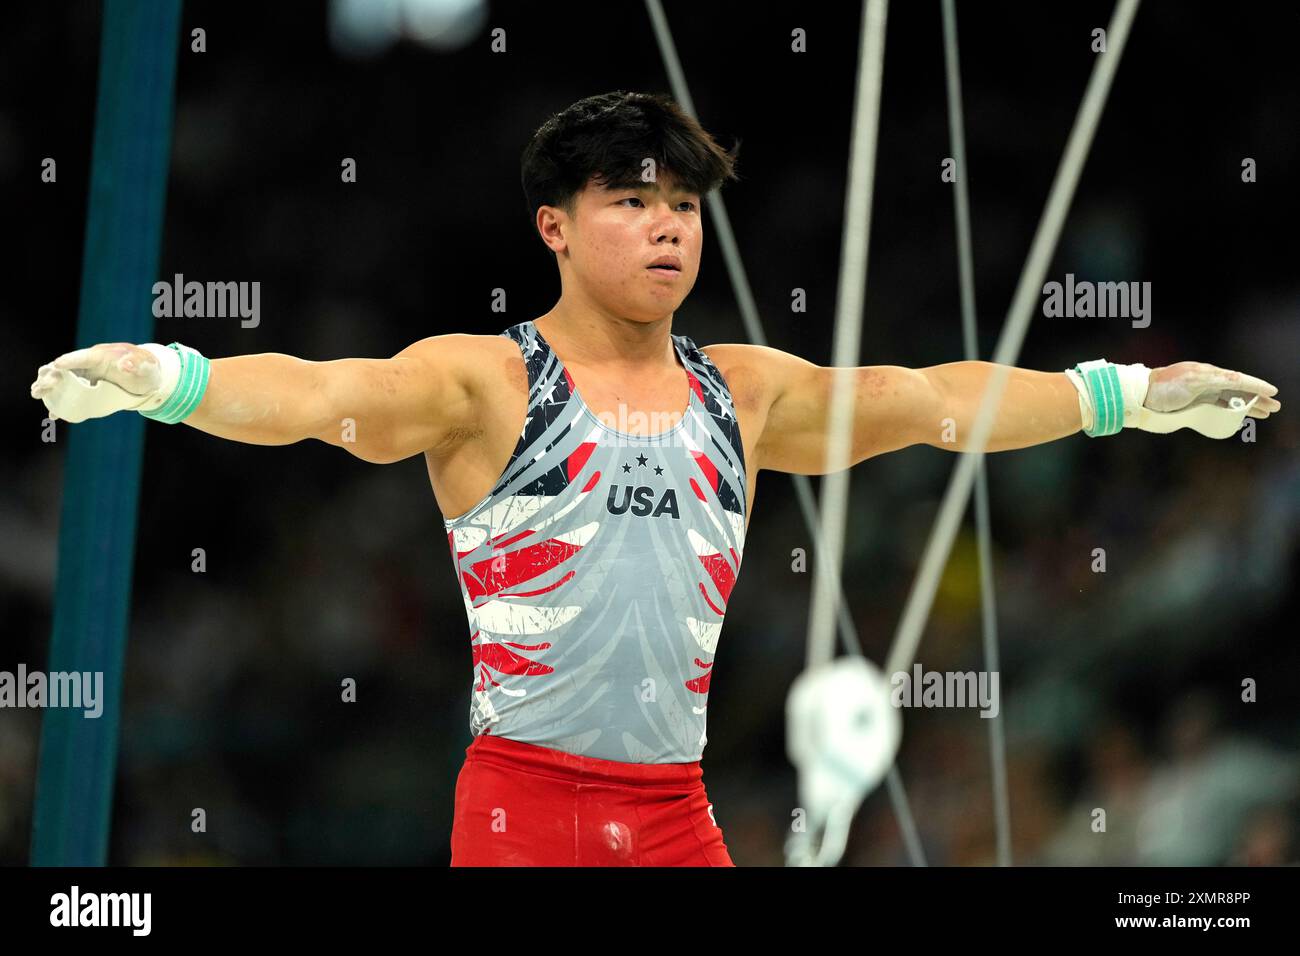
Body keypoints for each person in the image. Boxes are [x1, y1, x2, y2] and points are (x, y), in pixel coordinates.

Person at [30, 90, 1281, 866]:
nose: (670, 224)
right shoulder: (486, 384)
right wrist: (170, 375)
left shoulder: (743, 392)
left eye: (683, 202)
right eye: (633, 200)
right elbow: (320, 397)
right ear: (555, 227)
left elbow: (931, 401)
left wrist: (1128, 396)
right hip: (520, 808)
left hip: (675, 815)